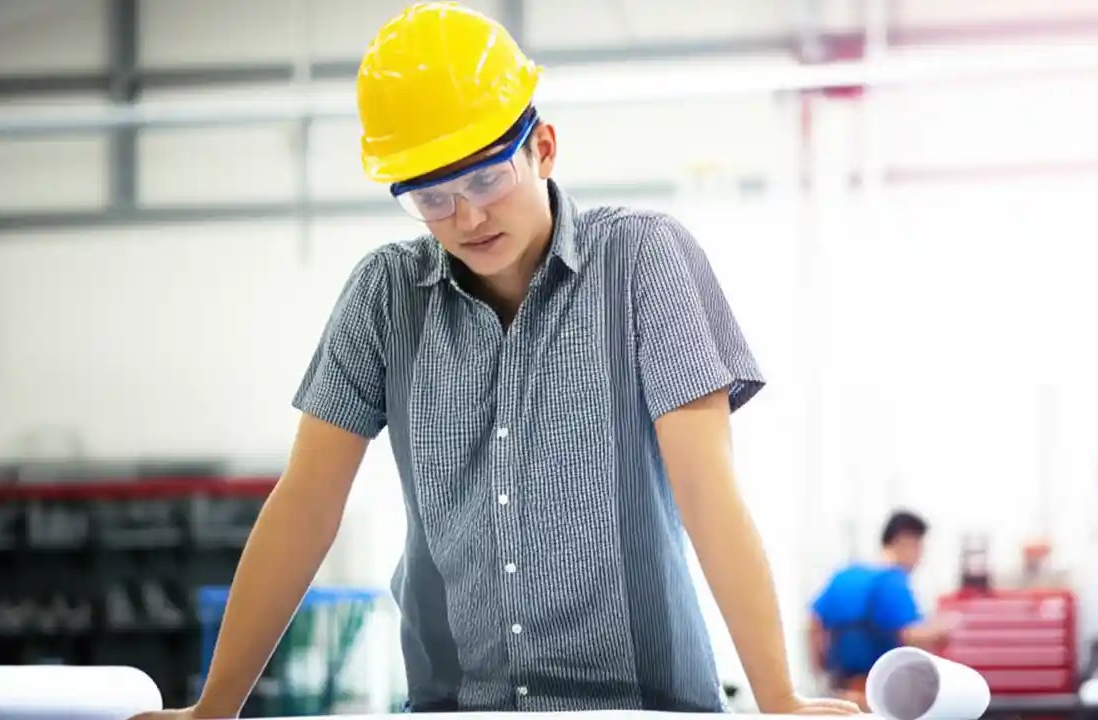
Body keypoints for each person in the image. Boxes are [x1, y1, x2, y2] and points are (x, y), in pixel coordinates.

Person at [133, 3, 858, 718]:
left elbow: (708, 488)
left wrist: (780, 701)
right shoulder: (385, 296)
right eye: (432, 197)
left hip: (643, 706)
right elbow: (305, 504)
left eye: (485, 178)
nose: (468, 218)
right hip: (453, 707)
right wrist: (214, 709)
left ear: (542, 147)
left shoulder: (642, 261)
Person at [807, 511, 954, 709]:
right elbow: (910, 635)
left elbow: (813, 624)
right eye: (920, 549)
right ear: (906, 541)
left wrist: (821, 668)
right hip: (877, 691)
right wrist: (942, 630)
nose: (920, 559)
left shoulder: (845, 574)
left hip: (841, 689)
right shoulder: (891, 579)